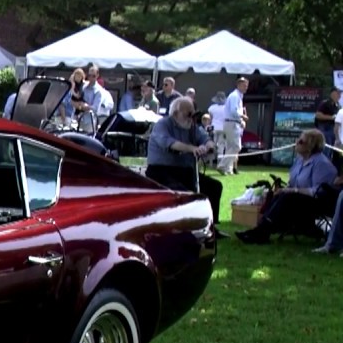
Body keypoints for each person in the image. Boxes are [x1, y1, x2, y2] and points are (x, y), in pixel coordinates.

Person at [237, 129, 339, 244]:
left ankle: (261, 232)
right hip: (298, 199)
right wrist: (283, 189)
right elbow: (292, 183)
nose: (296, 143)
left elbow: (318, 191)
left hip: (318, 203)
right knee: (276, 194)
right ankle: (261, 230)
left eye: (300, 141)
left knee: (288, 197)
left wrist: (293, 190)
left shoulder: (322, 164)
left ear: (310, 145)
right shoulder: (300, 160)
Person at [144, 97, 226, 236]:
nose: (191, 118)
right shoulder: (162, 125)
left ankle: (210, 227)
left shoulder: (192, 127)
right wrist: (192, 148)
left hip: (184, 171)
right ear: (176, 113)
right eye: (188, 114)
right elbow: (170, 143)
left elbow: (206, 139)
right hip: (161, 171)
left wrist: (209, 146)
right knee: (182, 192)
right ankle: (182, 228)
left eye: (193, 114)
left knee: (214, 187)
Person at [219, 77, 248, 175]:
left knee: (230, 146)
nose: (246, 88)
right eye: (244, 86)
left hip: (232, 123)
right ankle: (222, 165)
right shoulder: (235, 96)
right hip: (232, 122)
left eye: (246, 86)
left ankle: (228, 168)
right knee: (236, 146)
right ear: (238, 85)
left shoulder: (238, 96)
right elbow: (233, 111)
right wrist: (243, 116)